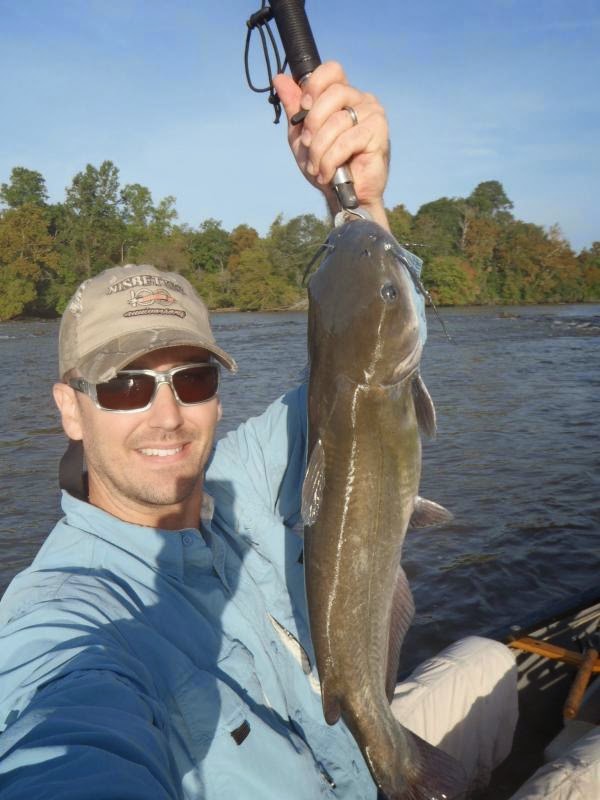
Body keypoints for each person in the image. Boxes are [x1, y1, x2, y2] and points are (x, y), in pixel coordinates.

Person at [0, 63, 517, 798]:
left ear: (217, 393)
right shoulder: (67, 617)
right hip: (361, 747)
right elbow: (58, 740)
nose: (167, 412)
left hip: (354, 748)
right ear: (69, 407)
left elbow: (363, 364)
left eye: (195, 377)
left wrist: (362, 202)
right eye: (123, 385)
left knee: (490, 664)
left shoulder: (239, 477)